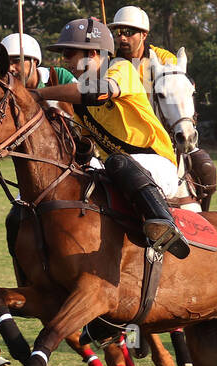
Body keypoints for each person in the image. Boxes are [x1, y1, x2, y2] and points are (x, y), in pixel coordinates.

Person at [37, 17, 189, 258]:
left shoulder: (120, 69)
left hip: (157, 165)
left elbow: (96, 92)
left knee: (118, 161)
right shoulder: (80, 104)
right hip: (117, 170)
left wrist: (39, 94)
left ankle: (164, 224)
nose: (65, 59)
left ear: (94, 53)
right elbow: (86, 145)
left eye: (69, 52)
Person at [109, 5, 217, 207]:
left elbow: (182, 83)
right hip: (126, 136)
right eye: (119, 32)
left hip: (165, 132)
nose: (122, 38)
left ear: (143, 34)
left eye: (128, 32)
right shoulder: (110, 63)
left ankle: (205, 213)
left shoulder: (163, 58)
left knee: (206, 166)